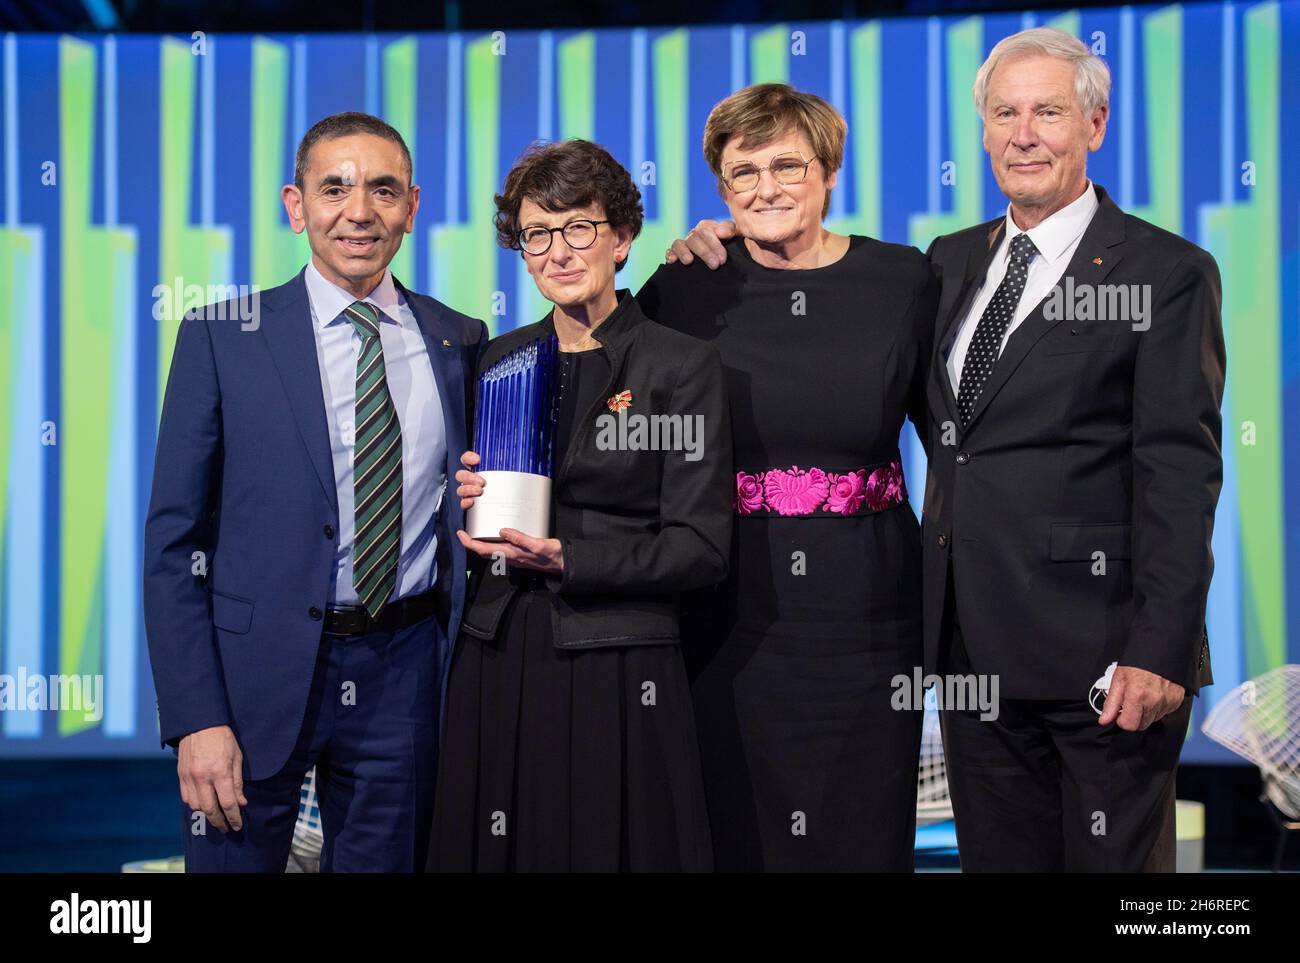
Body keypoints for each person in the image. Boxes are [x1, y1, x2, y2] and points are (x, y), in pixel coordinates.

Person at [669, 28, 1224, 873]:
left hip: (1104, 654)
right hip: (970, 653)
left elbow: (1180, 470)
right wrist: (703, 245)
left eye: (1046, 111)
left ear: (1096, 124)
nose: (1022, 133)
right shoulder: (948, 263)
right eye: (1004, 113)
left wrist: (1161, 646)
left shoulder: (1165, 270)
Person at [144, 111, 486, 872]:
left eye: (383, 190)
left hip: (403, 679)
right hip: (248, 687)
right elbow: (173, 543)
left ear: (413, 207)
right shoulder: (221, 333)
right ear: (294, 205)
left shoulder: (458, 339)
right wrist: (195, 716)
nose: (359, 211)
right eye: (334, 188)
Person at [640, 83, 940, 871]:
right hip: (728, 610)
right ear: (720, 188)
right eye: (743, 173)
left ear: (829, 171)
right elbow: (614, 414)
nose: (766, 188)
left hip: (871, 615)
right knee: (735, 829)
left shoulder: (903, 280)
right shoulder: (685, 284)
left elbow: (955, 442)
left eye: (787, 166)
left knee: (863, 829)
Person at [427, 139, 731, 872]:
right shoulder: (499, 360)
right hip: (498, 653)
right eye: (538, 233)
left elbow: (702, 546)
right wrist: (460, 498)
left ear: (621, 238)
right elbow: (466, 512)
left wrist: (572, 558)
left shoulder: (678, 364)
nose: (558, 251)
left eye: (578, 228)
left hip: (617, 661)